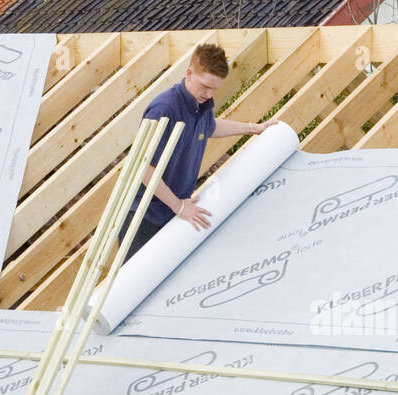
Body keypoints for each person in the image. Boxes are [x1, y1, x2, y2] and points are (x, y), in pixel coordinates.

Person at [118, 43, 278, 257]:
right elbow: (144, 167)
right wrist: (178, 206)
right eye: (205, 86)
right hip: (142, 216)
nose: (209, 94)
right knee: (136, 284)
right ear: (189, 73)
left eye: (214, 89)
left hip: (173, 211)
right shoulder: (165, 109)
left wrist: (254, 129)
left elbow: (210, 127)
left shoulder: (201, 106)